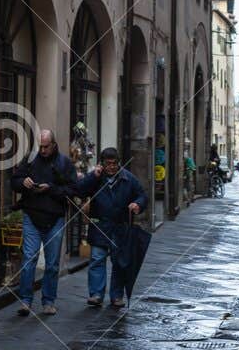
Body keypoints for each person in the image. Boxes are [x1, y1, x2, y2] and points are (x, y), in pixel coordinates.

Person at [9, 128, 77, 316]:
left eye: (46, 147)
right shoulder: (30, 160)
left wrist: (51, 189)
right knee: (29, 259)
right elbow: (14, 181)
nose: (43, 150)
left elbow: (73, 189)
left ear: (53, 144)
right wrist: (23, 182)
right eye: (40, 146)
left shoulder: (64, 163)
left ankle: (48, 301)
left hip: (55, 218)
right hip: (31, 215)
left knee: (52, 264)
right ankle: (25, 300)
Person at [74, 148, 147, 310]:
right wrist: (93, 176)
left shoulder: (128, 178)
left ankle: (116, 296)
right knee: (97, 259)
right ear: (102, 163)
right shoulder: (96, 178)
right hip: (100, 225)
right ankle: (96, 294)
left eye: (114, 164)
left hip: (120, 226)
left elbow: (142, 195)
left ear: (119, 163)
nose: (112, 167)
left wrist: (138, 204)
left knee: (119, 262)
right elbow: (79, 190)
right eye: (108, 164)